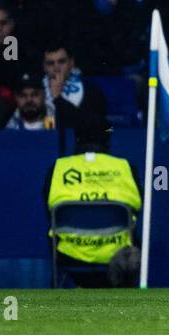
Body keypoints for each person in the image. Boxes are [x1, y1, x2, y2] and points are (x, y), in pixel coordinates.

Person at [44, 104, 142, 287]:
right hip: (116, 256)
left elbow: (48, 212)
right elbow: (138, 208)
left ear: (77, 138)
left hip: (69, 255)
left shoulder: (58, 169)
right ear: (108, 139)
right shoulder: (125, 168)